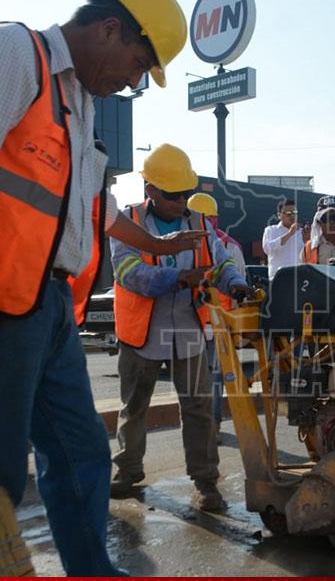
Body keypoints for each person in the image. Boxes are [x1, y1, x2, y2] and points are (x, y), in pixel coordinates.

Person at [0, 0, 202, 576]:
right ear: (111, 29)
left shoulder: (78, 104)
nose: (132, 81)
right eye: (139, 66)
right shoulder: (10, 54)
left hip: (50, 307)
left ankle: (92, 580)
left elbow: (97, 212)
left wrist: (163, 246)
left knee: (81, 451)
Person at [110, 145, 252, 511]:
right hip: (142, 331)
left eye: (186, 193)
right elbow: (128, 273)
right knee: (134, 407)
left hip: (188, 329)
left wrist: (234, 282)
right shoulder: (127, 221)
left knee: (199, 408)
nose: (181, 201)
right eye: (172, 194)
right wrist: (178, 278)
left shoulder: (199, 223)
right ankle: (127, 471)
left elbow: (220, 264)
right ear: (150, 190)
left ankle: (206, 483)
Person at [187, 191, 246, 445]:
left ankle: (203, 427)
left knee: (195, 378)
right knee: (214, 378)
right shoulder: (231, 246)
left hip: (195, 322)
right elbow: (239, 286)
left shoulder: (183, 243)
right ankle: (211, 425)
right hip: (219, 324)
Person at [262, 199, 306, 281]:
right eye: (288, 213)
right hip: (278, 279)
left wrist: (308, 240)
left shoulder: (302, 232)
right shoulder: (271, 230)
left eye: (294, 212)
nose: (292, 216)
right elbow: (267, 249)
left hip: (298, 279)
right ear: (279, 215)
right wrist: (289, 234)